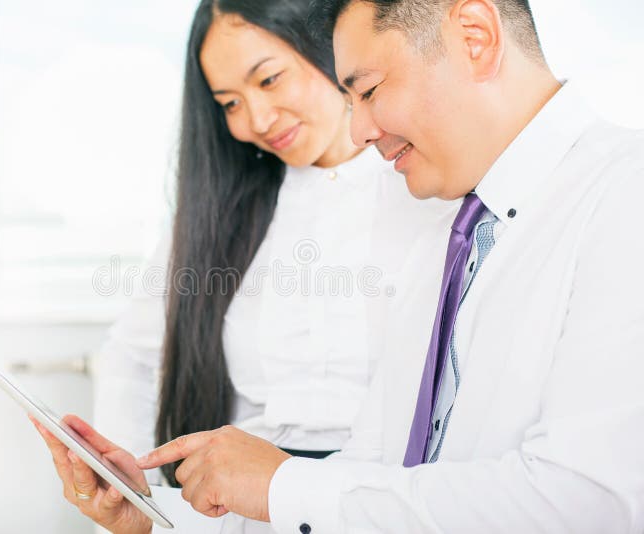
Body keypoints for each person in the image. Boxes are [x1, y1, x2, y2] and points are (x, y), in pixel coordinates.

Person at [129, 0, 644, 532]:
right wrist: (159, 521)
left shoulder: (626, 195)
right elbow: (371, 476)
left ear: (475, 38)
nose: (359, 131)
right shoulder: (454, 234)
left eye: (370, 91)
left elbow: (590, 502)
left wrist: (283, 484)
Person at [32, 0, 454, 532]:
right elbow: (131, 356)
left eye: (270, 79)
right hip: (240, 516)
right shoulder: (222, 211)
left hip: (384, 506)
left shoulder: (428, 187)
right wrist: (133, 493)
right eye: (230, 103)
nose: (256, 120)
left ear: (328, 47)